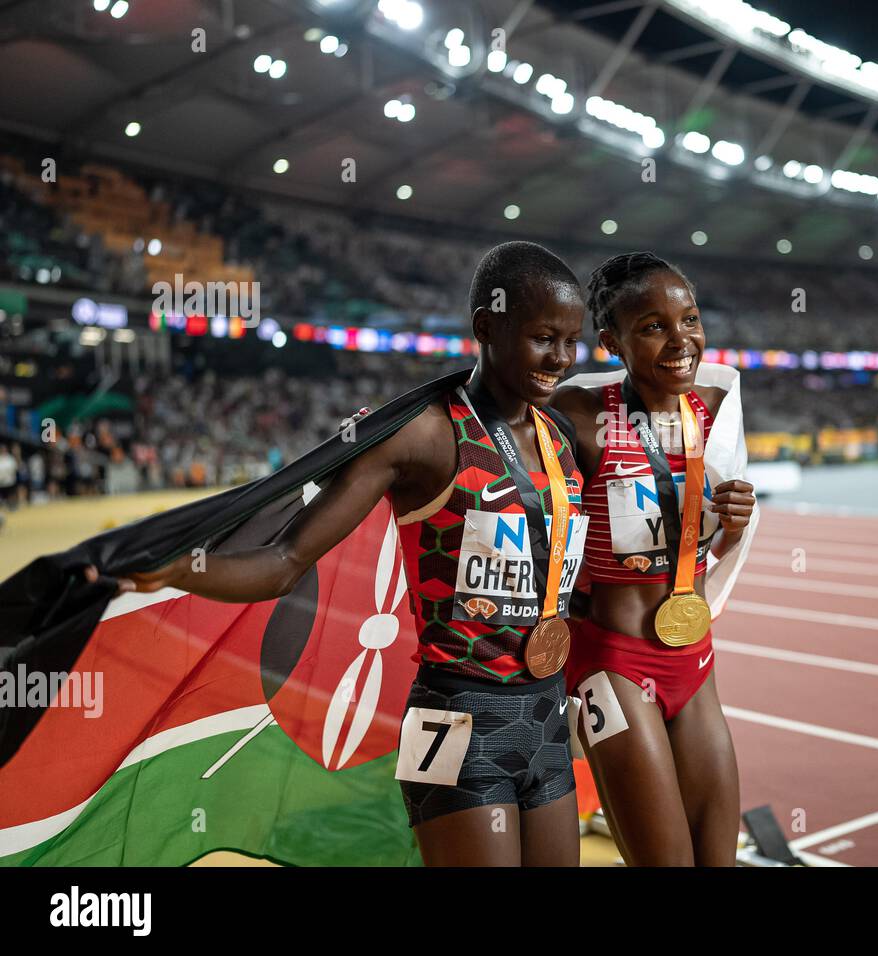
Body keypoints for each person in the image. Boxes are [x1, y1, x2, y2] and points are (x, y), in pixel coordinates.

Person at [85, 241, 589, 866]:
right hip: (458, 722)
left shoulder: (561, 440)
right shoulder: (427, 435)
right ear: (486, 327)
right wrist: (181, 568)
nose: (561, 359)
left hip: (546, 717)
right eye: (545, 338)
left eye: (573, 341)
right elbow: (284, 561)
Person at [551, 252, 756, 866]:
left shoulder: (714, 412)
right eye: (653, 326)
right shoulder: (578, 416)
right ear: (612, 341)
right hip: (610, 664)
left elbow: (698, 542)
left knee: (715, 859)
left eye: (689, 319)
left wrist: (733, 524)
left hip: (694, 660)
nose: (681, 339)